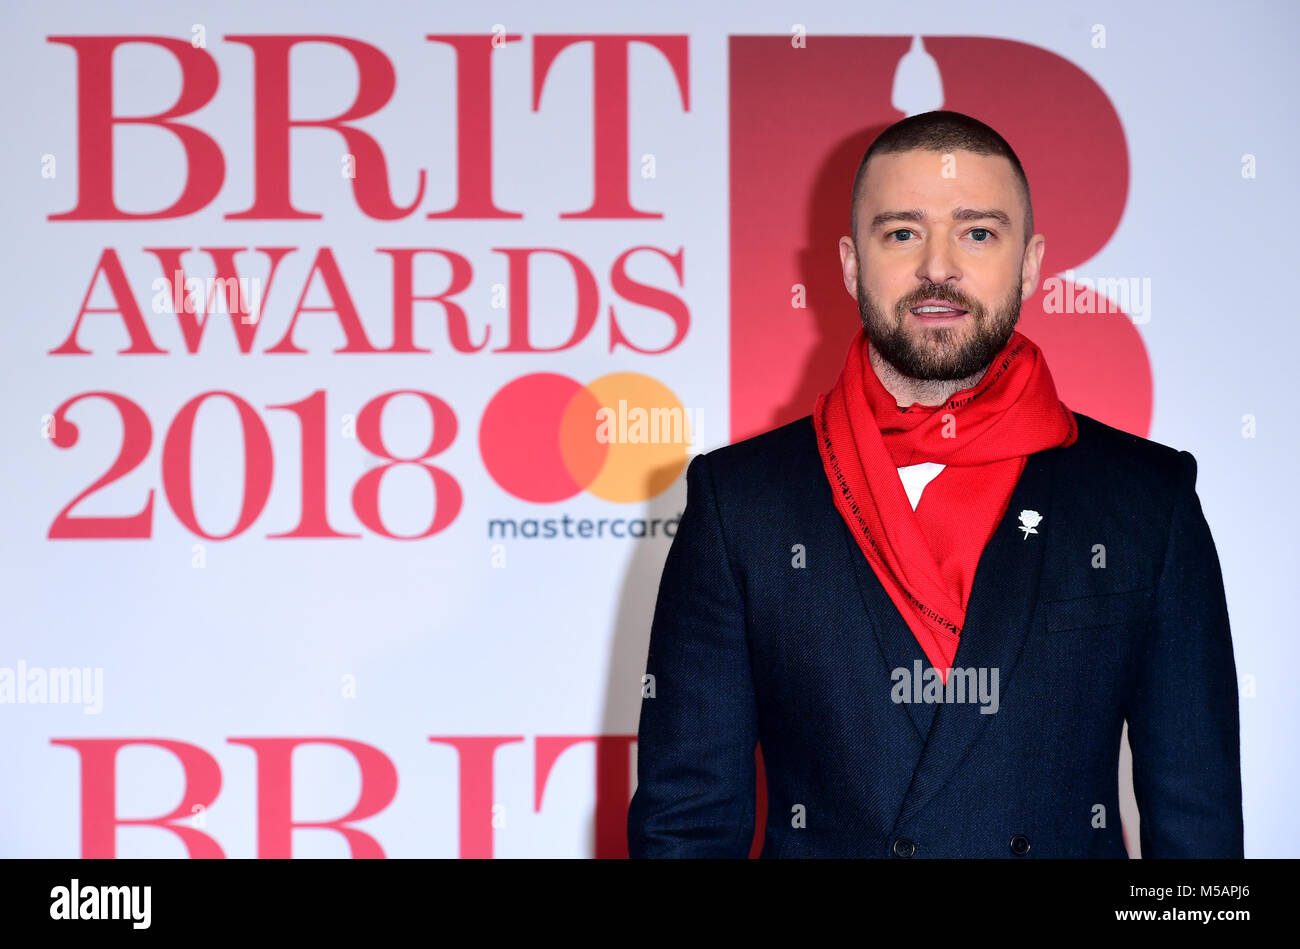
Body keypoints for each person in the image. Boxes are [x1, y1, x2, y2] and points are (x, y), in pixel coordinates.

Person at [627, 110, 1244, 859]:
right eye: (902, 232)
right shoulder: (741, 503)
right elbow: (686, 825)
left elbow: (1200, 834)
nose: (938, 267)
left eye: (977, 232)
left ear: (1031, 261)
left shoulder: (1149, 498)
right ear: (853, 264)